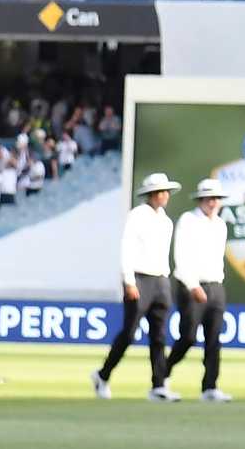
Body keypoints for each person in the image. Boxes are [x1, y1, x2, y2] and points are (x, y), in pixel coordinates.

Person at [98, 172, 180, 399]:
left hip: (160, 280)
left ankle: (158, 385)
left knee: (159, 335)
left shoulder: (166, 221)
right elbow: (127, 248)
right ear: (153, 194)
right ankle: (103, 374)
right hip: (140, 279)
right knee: (129, 333)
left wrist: (164, 279)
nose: (166, 195)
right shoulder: (137, 215)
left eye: (167, 192)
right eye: (162, 192)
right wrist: (129, 280)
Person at [164, 176, 234, 403]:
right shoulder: (188, 220)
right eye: (208, 198)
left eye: (216, 199)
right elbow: (181, 256)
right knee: (188, 337)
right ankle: (163, 373)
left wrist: (217, 284)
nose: (213, 203)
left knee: (214, 339)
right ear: (200, 200)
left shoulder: (221, 225)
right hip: (191, 285)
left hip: (215, 285)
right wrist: (193, 285)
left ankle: (210, 387)